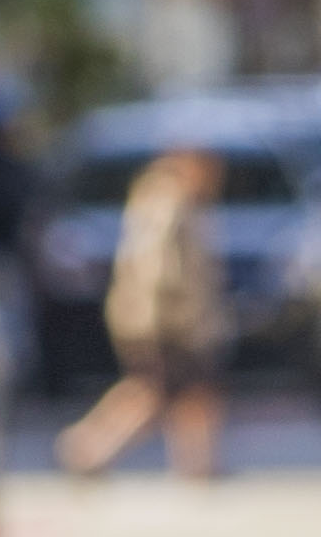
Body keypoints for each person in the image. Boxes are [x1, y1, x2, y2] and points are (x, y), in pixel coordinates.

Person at [57, 145, 226, 483]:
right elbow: (159, 267)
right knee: (155, 392)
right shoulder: (170, 199)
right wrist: (176, 313)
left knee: (186, 391)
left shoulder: (159, 196)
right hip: (165, 319)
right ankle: (86, 447)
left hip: (152, 315)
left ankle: (197, 464)